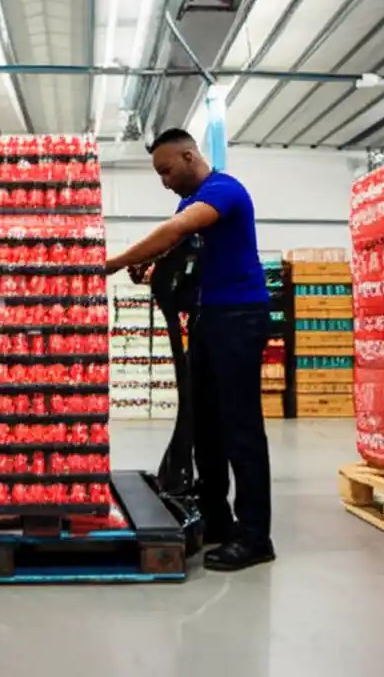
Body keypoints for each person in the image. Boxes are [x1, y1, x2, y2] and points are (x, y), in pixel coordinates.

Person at [106, 128, 274, 572]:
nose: (164, 182)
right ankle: (217, 517)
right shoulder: (191, 201)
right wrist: (150, 267)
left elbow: (175, 231)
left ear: (188, 156)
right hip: (208, 317)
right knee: (205, 424)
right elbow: (177, 252)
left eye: (166, 171)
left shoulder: (223, 191)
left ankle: (255, 536)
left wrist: (114, 263)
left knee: (240, 427)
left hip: (239, 315)